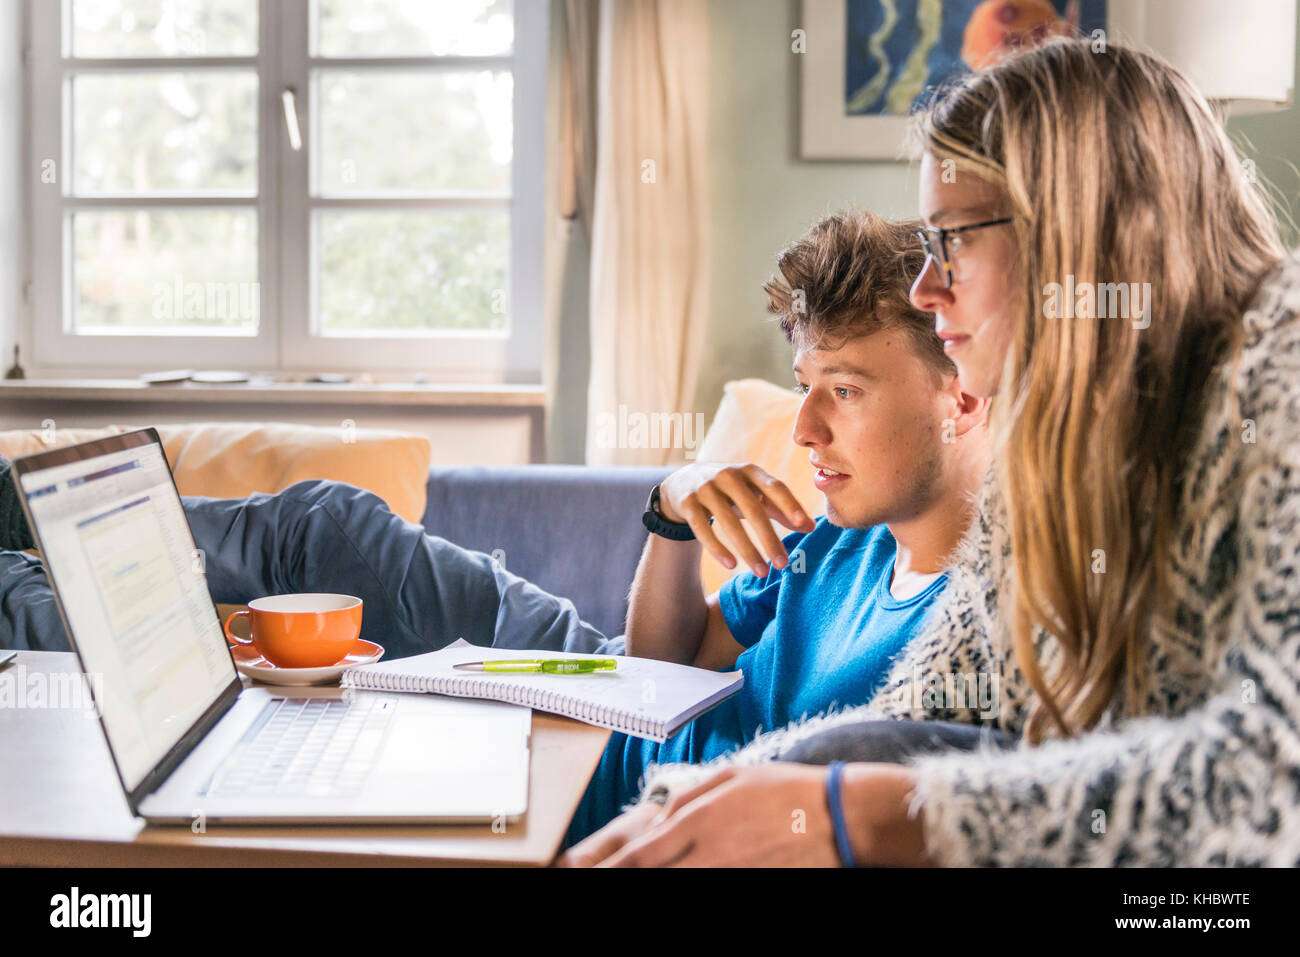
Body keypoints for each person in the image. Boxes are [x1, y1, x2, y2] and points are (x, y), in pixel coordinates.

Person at [0, 212, 998, 845]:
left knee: (167, 641)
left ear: (960, 393)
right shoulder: (840, 539)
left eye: (847, 391)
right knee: (326, 524)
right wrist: (669, 514)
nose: (808, 430)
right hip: (594, 692)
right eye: (803, 390)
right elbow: (668, 665)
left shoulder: (971, 626)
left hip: (570, 760)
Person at [560, 37, 1300, 867]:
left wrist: (862, 812)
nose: (925, 287)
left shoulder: (1282, 368)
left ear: (1079, 230)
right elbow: (917, 714)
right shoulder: (1054, 469)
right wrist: (697, 815)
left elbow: (1274, 777)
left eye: (954, 240)